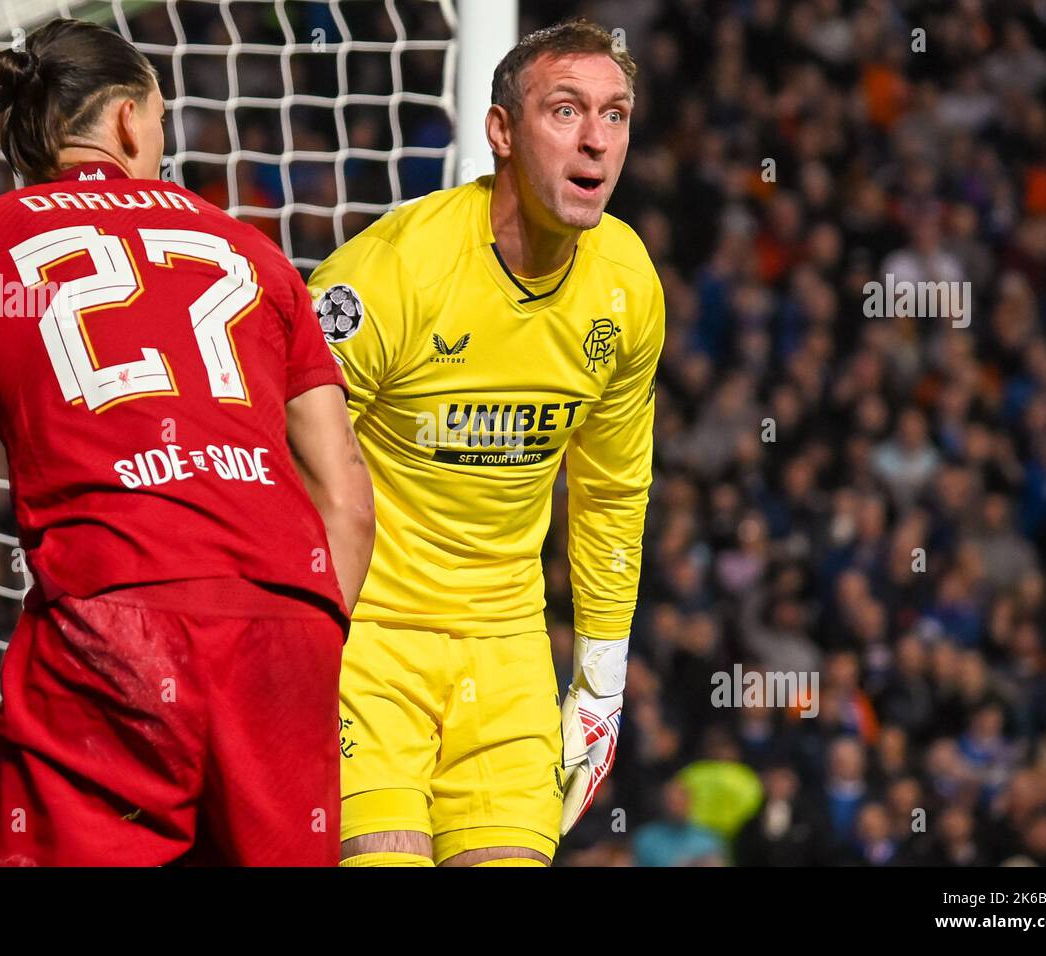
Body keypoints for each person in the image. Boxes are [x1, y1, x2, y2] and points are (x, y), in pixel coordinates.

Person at [0, 17, 374, 866]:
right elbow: (347, 501)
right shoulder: (257, 256)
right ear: (133, 121)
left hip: (114, 630)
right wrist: (297, 647)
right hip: (284, 626)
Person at [309, 17, 664, 866]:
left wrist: (602, 683)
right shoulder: (385, 277)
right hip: (366, 643)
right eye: (565, 111)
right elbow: (292, 473)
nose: (595, 141)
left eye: (614, 116)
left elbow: (612, 490)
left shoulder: (627, 285)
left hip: (507, 651)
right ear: (501, 131)